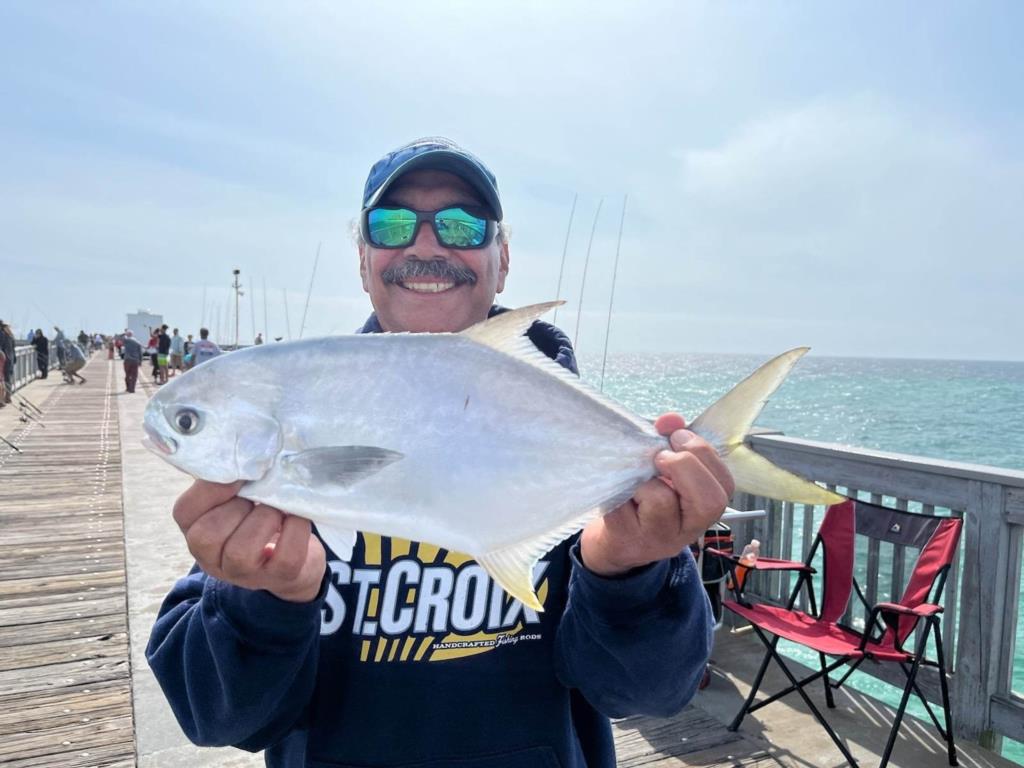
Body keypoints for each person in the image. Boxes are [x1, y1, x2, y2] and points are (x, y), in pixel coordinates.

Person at [147, 138, 731, 768]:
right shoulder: (300, 417)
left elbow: (650, 693)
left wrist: (629, 569)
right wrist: (258, 601)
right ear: (364, 259)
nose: (426, 246)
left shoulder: (573, 438)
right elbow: (214, 717)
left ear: (500, 260)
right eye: (393, 224)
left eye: (461, 225)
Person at [0, 320, 14, 405]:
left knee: (2, 380)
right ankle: (7, 397)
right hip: (10, 359)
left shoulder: (1, 334)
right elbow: (13, 348)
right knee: (7, 379)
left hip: (3, 359)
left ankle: (2, 399)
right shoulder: (10, 335)